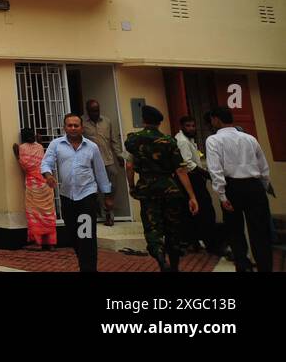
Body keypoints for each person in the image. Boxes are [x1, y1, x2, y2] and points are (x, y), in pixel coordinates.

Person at [124, 105, 200, 272]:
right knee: (173, 229)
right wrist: (191, 196)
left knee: (152, 228)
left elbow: (129, 166)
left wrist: (131, 185)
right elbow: (181, 170)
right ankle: (174, 266)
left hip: (147, 189)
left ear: (143, 120)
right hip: (169, 188)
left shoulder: (134, 141)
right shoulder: (169, 141)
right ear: (159, 122)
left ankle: (160, 258)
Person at [42, 112, 112, 271]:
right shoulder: (56, 144)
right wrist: (48, 175)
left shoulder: (92, 147)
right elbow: (46, 163)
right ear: (64, 127)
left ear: (82, 128)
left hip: (87, 196)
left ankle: (88, 268)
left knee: (86, 235)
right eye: (70, 125)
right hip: (67, 197)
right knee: (73, 235)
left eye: (76, 125)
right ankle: (85, 262)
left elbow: (100, 171)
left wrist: (107, 194)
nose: (73, 128)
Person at [206, 107, 273, 272]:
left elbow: (215, 170)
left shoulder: (213, 140)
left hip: (232, 187)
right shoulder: (250, 138)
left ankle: (243, 266)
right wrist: (264, 186)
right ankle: (265, 267)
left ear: (216, 119)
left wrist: (221, 195)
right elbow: (263, 166)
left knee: (235, 230)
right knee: (260, 230)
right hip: (254, 186)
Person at [174, 115, 223, 256]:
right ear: (182, 127)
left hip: (195, 177)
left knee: (194, 212)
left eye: (193, 125)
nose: (191, 128)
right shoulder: (182, 141)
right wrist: (206, 174)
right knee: (206, 210)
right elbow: (188, 163)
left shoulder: (189, 140)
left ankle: (194, 241)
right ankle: (211, 244)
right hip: (191, 178)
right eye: (188, 126)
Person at [12, 129, 55, 250]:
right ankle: (49, 242)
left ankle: (38, 242)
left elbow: (24, 165)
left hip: (33, 184)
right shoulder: (40, 147)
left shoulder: (21, 148)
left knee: (35, 214)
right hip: (45, 183)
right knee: (48, 214)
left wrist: (16, 154)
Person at [82, 99, 124, 226]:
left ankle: (108, 210)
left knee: (112, 184)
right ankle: (99, 212)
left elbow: (114, 140)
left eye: (97, 110)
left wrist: (119, 155)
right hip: (90, 162)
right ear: (88, 111)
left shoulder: (107, 121)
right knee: (93, 189)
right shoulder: (82, 122)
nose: (96, 113)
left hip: (107, 159)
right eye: (93, 111)